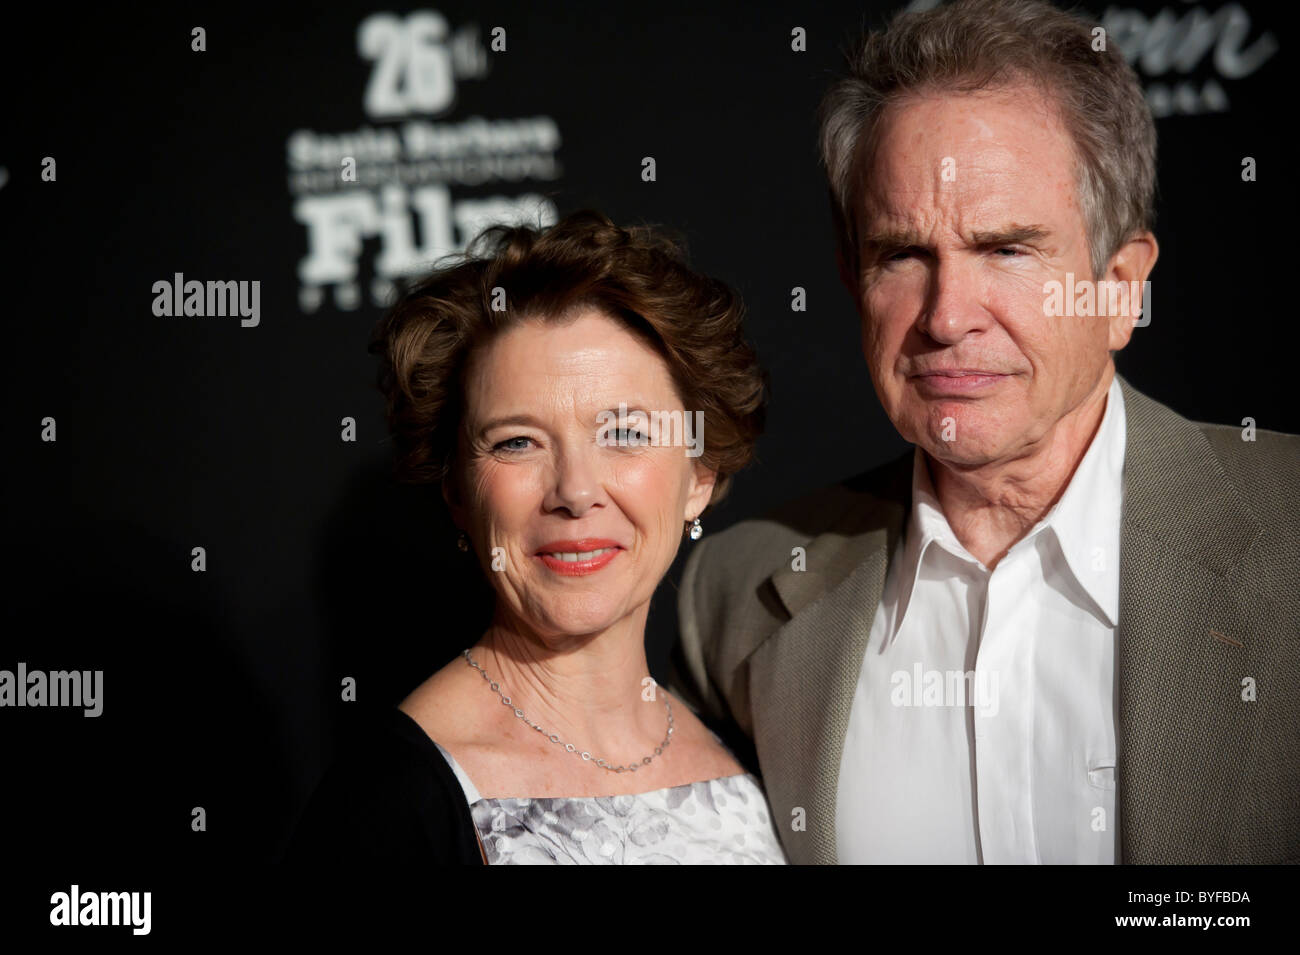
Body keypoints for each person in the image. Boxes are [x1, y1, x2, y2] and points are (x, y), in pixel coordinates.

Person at [671, 0, 1299, 864]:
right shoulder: (739, 599)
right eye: (901, 255)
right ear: (853, 283)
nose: (946, 316)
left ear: (1119, 288)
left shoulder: (1290, 531)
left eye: (1005, 249)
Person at [287, 210, 785, 864]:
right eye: (517, 441)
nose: (575, 491)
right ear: (458, 494)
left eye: (625, 434)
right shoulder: (389, 807)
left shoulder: (757, 761)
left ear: (699, 473)